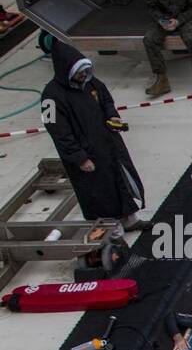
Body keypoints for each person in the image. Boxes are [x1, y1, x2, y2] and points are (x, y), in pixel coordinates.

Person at [41, 41, 146, 230]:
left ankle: (130, 219)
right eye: (80, 72)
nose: (84, 76)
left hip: (108, 144)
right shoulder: (51, 96)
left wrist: (112, 115)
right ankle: (110, 231)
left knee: (120, 180)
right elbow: (58, 133)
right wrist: (80, 158)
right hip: (87, 153)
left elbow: (106, 99)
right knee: (98, 192)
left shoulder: (90, 82)